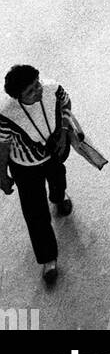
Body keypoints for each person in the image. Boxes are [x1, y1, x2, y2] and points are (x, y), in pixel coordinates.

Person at [0, 65, 74, 284]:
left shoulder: (53, 88)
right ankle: (48, 258)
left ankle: (59, 197)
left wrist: (63, 134)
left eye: (37, 84)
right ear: (17, 97)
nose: (38, 91)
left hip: (54, 152)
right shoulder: (6, 115)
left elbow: (66, 103)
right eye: (30, 91)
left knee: (59, 179)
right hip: (25, 167)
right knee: (35, 213)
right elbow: (2, 147)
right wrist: (2, 176)